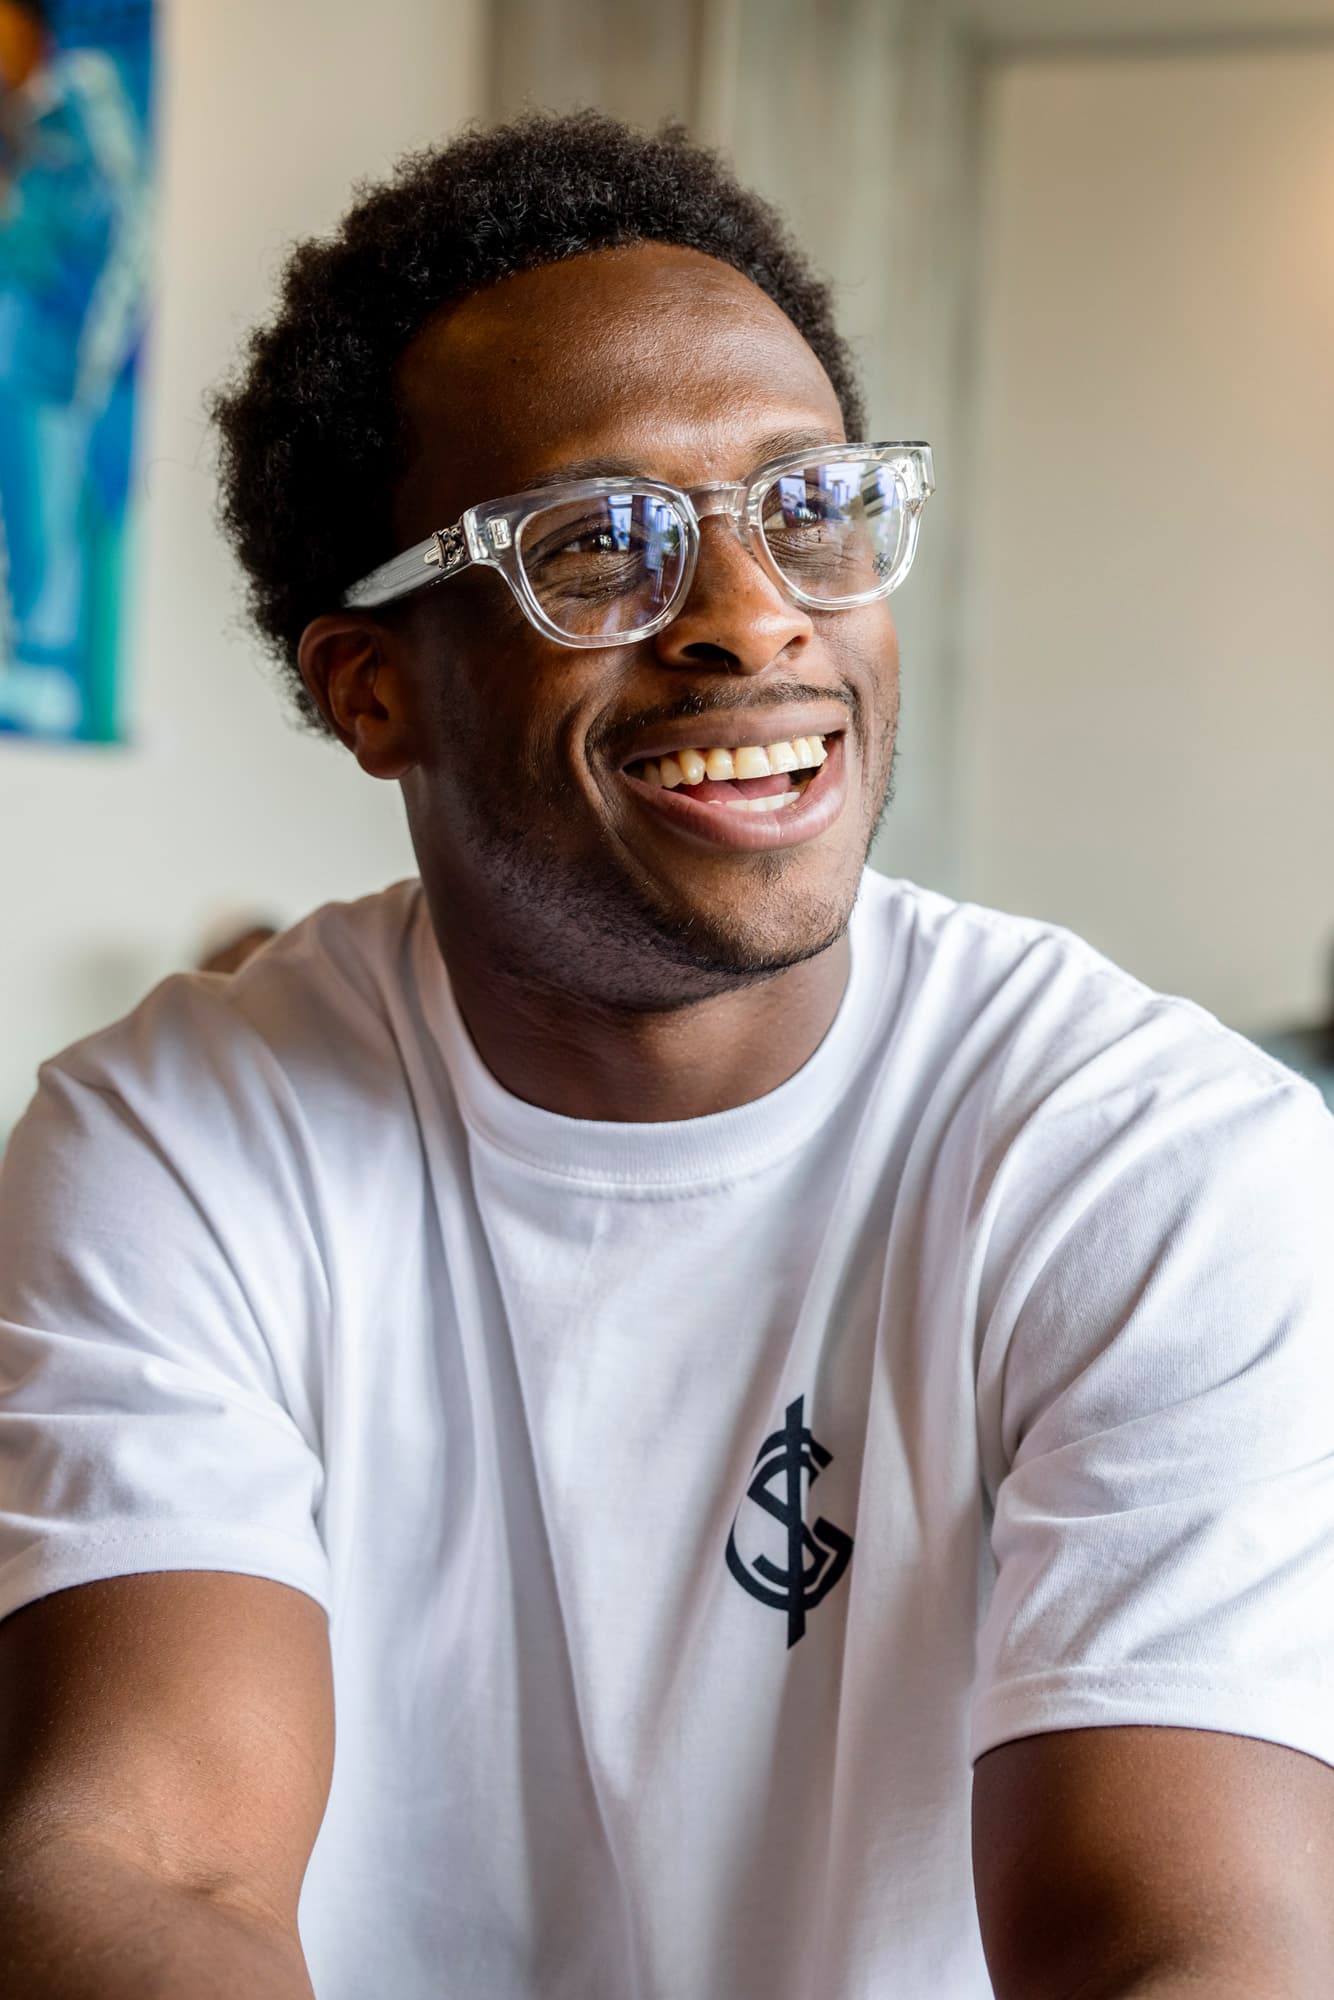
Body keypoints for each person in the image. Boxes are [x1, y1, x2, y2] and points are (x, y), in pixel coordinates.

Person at [1, 111, 1332, 2000]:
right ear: (372, 691)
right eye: (597, 546)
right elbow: (141, 1862)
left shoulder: (1152, 1159)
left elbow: (1185, 1944)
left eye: (811, 508)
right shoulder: (174, 1142)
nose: (754, 616)